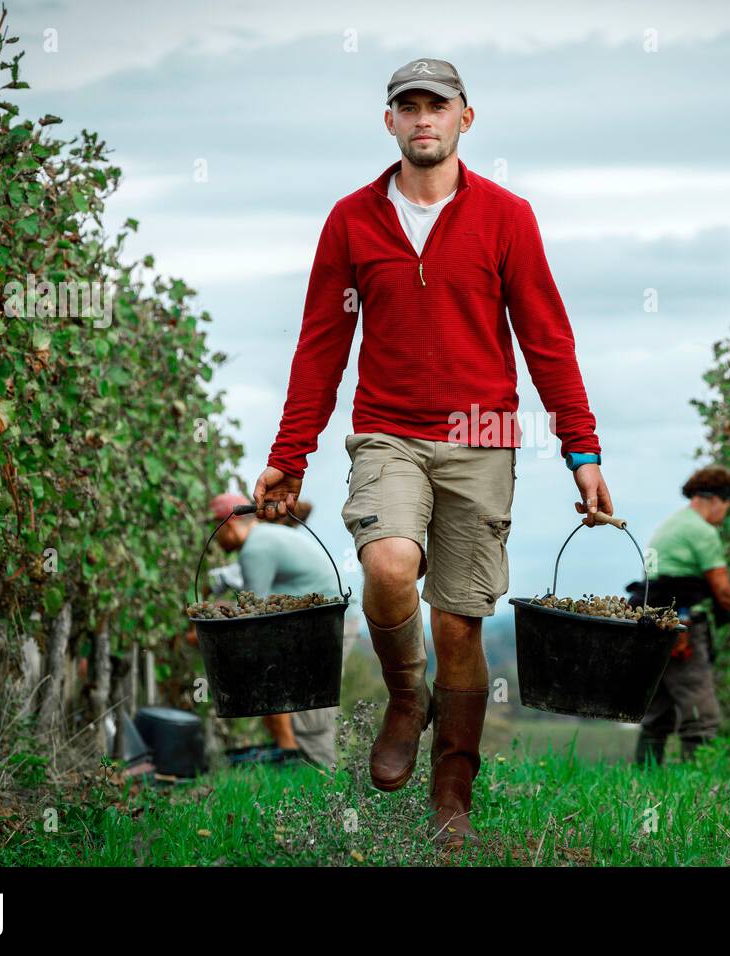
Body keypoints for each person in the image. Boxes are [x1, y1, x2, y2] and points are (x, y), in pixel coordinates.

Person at [251, 58, 611, 848]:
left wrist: (581, 447)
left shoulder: (507, 217)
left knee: (458, 626)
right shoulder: (351, 220)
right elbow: (321, 346)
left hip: (483, 438)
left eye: (436, 107)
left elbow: (546, 338)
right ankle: (406, 697)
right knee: (386, 566)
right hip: (387, 431)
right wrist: (292, 453)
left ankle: (454, 787)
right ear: (389, 122)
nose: (422, 120)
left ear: (464, 119)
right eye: (407, 107)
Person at [208, 492, 357, 769]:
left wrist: (209, 637)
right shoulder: (265, 538)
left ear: (227, 525)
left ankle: (322, 784)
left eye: (215, 530)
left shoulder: (255, 548)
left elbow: (253, 618)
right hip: (318, 623)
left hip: (323, 626)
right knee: (306, 705)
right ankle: (314, 787)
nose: (214, 539)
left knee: (308, 710)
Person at [633, 465, 730, 766]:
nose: (724, 514)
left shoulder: (673, 523)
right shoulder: (702, 531)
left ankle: (644, 776)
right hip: (680, 626)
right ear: (715, 500)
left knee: (658, 707)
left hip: (649, 623)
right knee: (701, 711)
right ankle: (699, 783)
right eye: (726, 506)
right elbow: (723, 591)